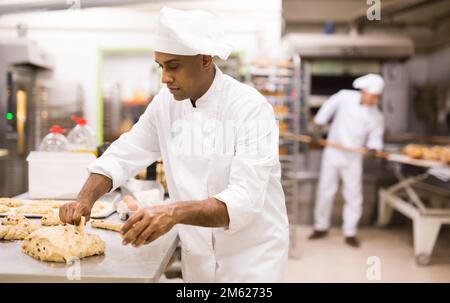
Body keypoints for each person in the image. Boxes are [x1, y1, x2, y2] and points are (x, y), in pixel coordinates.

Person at [59, 7, 289, 282]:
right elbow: (123, 153)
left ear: (204, 59)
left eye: (174, 66)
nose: (165, 77)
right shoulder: (165, 105)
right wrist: (84, 200)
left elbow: (244, 200)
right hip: (199, 262)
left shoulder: (250, 109)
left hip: (250, 263)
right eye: (161, 67)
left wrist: (172, 212)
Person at [309, 74, 385, 248]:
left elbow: (375, 137)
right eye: (372, 96)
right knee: (325, 191)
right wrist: (318, 126)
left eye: (377, 97)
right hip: (333, 152)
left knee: (353, 195)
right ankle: (321, 227)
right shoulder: (344, 97)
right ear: (363, 92)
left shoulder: (377, 116)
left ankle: (350, 232)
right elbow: (327, 107)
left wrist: (374, 148)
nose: (374, 100)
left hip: (353, 158)